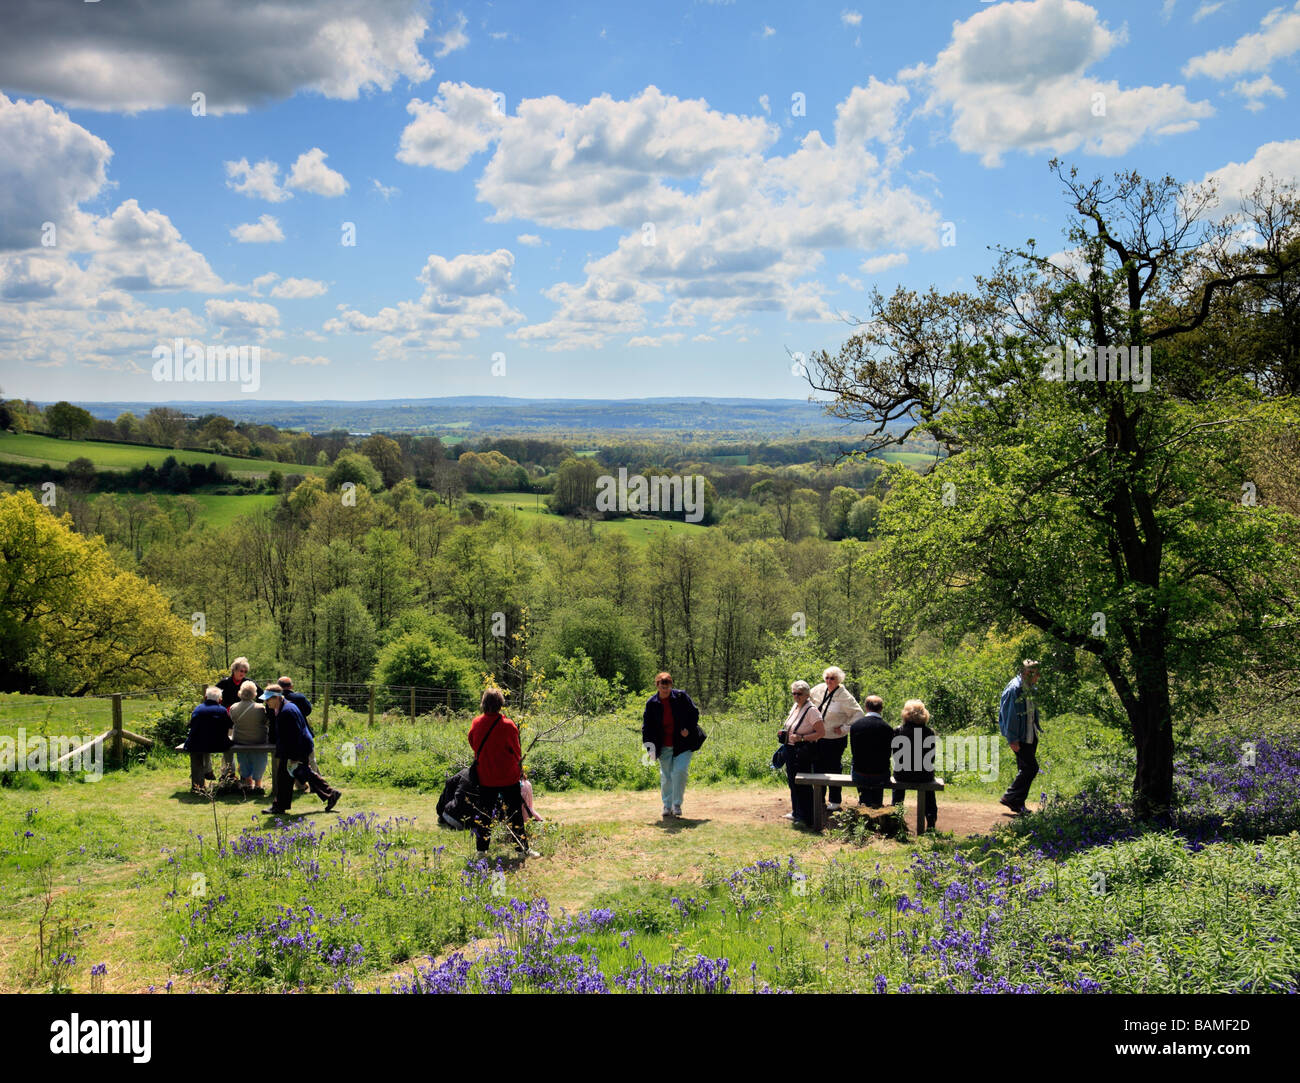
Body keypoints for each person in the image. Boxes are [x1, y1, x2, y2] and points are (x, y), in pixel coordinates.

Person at [467, 688, 538, 857]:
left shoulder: (476, 723)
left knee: (484, 815)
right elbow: (516, 751)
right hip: (508, 777)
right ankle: (522, 849)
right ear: (500, 704)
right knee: (515, 814)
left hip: (485, 777)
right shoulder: (508, 725)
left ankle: (481, 851)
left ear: (484, 703)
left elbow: (473, 743)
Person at [260, 685, 341, 816]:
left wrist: (294, 756)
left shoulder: (287, 711)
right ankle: (330, 793)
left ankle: (330, 793)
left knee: (296, 773)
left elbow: (294, 735)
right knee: (294, 774)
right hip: (297, 746)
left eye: (268, 699)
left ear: (276, 698)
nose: (266, 702)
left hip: (297, 747)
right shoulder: (285, 706)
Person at [640, 672, 705, 820]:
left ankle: (677, 805)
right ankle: (667, 806)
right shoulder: (651, 703)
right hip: (663, 745)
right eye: (663, 687)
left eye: (668, 687)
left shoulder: (681, 697)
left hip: (684, 743)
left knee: (680, 772)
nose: (665, 690)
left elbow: (694, 713)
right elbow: (647, 727)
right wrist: (650, 748)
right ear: (657, 685)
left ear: (671, 685)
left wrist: (687, 729)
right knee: (667, 776)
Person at [809, 666, 862, 810]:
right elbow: (806, 697)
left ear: (838, 680)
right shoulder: (819, 689)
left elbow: (858, 715)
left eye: (832, 678)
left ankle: (835, 801)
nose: (829, 681)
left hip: (835, 739)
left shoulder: (845, 696)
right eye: (827, 677)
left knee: (833, 769)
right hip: (817, 737)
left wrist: (845, 728)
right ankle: (818, 800)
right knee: (817, 768)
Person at [998, 659, 1043, 816]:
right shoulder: (1015, 689)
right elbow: (1010, 716)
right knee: (1031, 768)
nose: (1038, 677)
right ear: (1026, 673)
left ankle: (1018, 804)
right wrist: (1012, 739)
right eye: (1036, 674)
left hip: (1030, 734)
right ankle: (1009, 796)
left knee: (1024, 769)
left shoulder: (1030, 687)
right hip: (1020, 737)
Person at [780, 680, 824, 826]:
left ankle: (807, 816)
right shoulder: (795, 706)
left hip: (802, 751)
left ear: (807, 694)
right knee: (792, 782)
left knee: (802, 784)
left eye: (799, 694)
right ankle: (796, 812)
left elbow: (821, 733)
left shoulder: (811, 710)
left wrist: (802, 737)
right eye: (793, 693)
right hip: (790, 749)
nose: (796, 696)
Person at [892, 699, 938, 832]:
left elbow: (895, 755)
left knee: (898, 788)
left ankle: (896, 819)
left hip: (902, 774)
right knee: (929, 791)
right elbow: (932, 758)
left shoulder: (898, 731)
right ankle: (930, 822)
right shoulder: (929, 732)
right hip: (924, 774)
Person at [183, 687, 232, 796]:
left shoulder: (197, 709)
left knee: (199, 748)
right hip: (218, 744)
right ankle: (229, 776)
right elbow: (230, 725)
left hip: (196, 743)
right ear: (220, 699)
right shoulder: (222, 710)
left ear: (205, 697)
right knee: (230, 748)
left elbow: (192, 725)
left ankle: (198, 786)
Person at [216, 659, 258, 780]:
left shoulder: (248, 683)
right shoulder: (224, 683)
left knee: (242, 749)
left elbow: (261, 695)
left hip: (244, 720)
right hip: (228, 720)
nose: (243, 673)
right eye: (241, 670)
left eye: (245, 671)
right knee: (227, 747)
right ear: (234, 670)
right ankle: (228, 774)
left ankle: (245, 775)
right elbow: (213, 697)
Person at [849, 695, 893, 807]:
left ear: (866, 707)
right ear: (881, 708)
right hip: (880, 774)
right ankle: (876, 805)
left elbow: (854, 751)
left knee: (864, 795)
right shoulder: (888, 729)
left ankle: (864, 804)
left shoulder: (855, 726)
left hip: (859, 773)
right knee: (877, 795)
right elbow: (888, 753)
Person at [228, 679, 268, 795]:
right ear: (254, 693)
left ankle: (247, 782)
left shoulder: (233, 707)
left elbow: (233, 720)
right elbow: (265, 722)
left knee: (243, 759)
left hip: (240, 740)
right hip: (258, 740)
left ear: (241, 692)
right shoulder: (260, 708)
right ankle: (258, 784)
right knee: (259, 759)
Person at [278, 676, 315, 793]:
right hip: (303, 732)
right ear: (291, 686)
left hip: (284, 736)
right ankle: (315, 785)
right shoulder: (299, 697)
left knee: (290, 763)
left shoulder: (277, 699)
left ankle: (298, 785)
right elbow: (308, 710)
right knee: (310, 760)